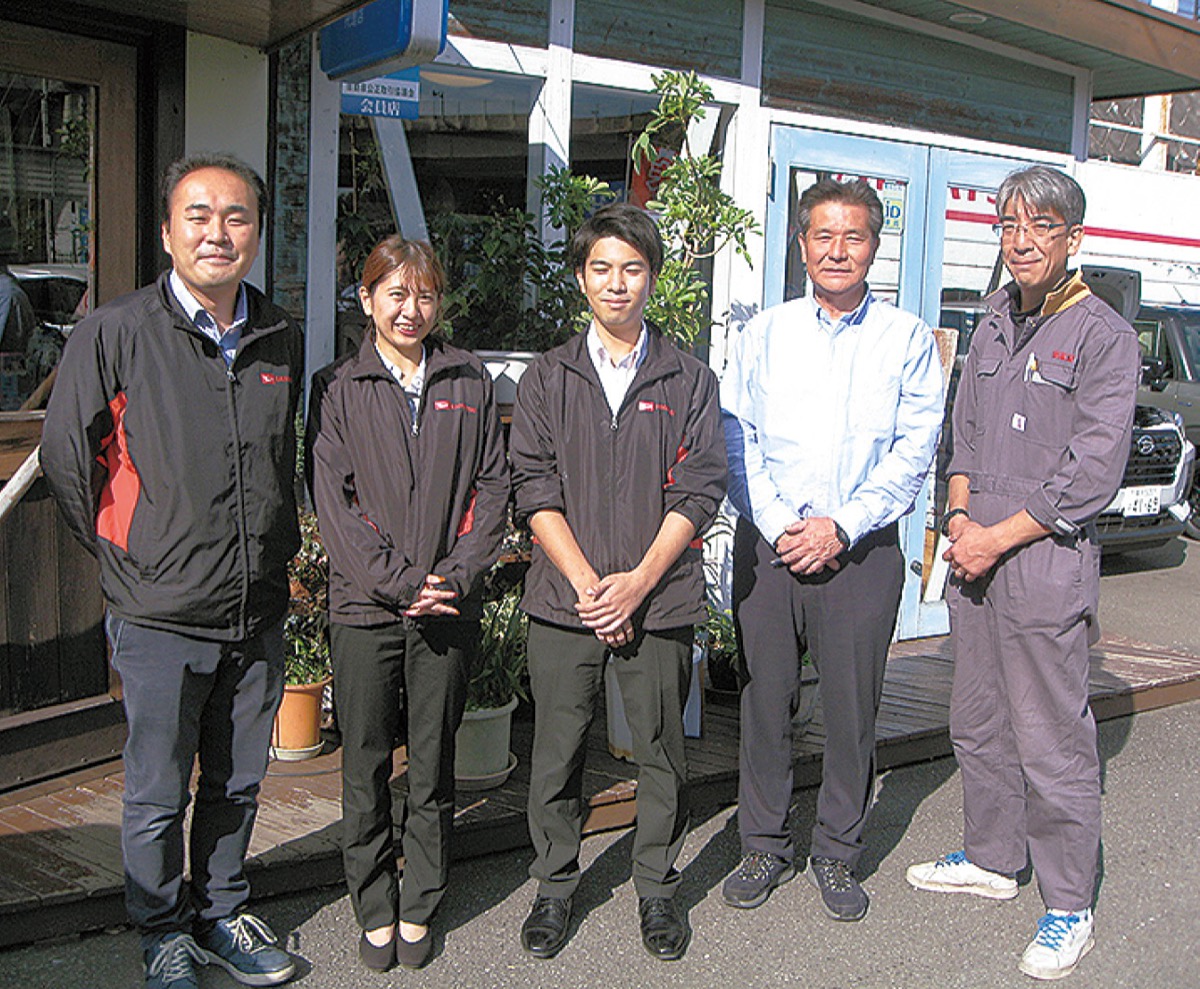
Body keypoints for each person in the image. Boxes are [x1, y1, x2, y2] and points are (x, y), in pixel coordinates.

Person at [40, 154, 302, 989]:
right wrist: (128, 557)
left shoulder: (278, 333)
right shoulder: (116, 331)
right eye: (198, 215)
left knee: (238, 780)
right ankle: (161, 930)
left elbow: (279, 456)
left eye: (236, 216)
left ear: (256, 233)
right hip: (158, 611)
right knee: (156, 791)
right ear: (167, 231)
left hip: (256, 606)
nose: (217, 232)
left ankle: (221, 911)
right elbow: (66, 455)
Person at [906, 165, 1139, 981]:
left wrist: (994, 537)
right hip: (975, 548)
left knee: (1051, 737)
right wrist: (957, 520)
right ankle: (993, 858)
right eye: (1009, 225)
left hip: (1041, 559)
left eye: (1041, 225)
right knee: (977, 719)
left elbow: (1092, 472)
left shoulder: (1104, 335)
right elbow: (963, 433)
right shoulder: (993, 321)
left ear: (1074, 238)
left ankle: (1069, 903)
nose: (1022, 240)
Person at [720, 178, 944, 922]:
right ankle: (763, 843)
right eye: (823, 235)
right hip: (771, 544)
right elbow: (734, 435)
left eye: (853, 236)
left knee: (851, 710)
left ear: (875, 246)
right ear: (802, 243)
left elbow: (914, 450)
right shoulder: (765, 333)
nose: (837, 250)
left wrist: (841, 525)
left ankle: (838, 852)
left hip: (862, 550)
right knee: (765, 699)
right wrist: (781, 521)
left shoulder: (906, 339)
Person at [509, 202, 726, 962]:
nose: (616, 282)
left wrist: (636, 583)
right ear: (581, 278)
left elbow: (699, 488)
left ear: (653, 278)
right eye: (601, 267)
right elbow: (533, 485)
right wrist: (588, 583)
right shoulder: (548, 376)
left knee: (661, 749)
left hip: (658, 599)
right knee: (558, 749)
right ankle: (554, 883)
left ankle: (657, 887)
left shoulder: (689, 379)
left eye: (632, 268)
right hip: (564, 600)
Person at [307, 236, 509, 971]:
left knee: (432, 760)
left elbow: (492, 486)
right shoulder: (337, 385)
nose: (410, 309)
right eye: (395, 293)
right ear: (367, 300)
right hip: (365, 609)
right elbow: (334, 502)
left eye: (424, 295)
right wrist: (397, 581)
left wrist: (453, 576)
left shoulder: (469, 377)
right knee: (364, 762)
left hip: (447, 606)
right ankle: (373, 902)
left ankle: (420, 898)